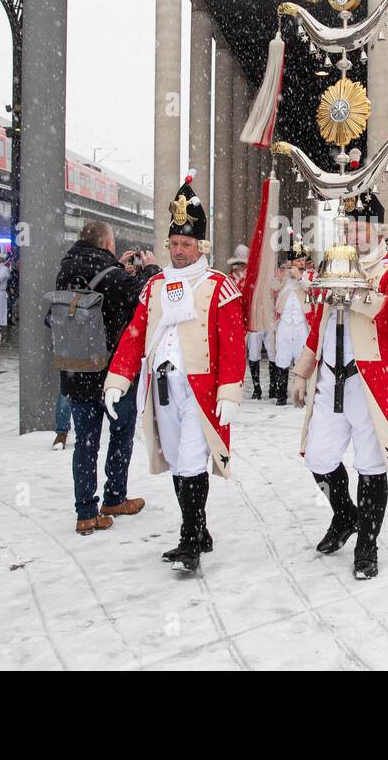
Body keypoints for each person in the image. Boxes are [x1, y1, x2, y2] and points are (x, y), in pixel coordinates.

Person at [103, 173, 245, 571]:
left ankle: (190, 542)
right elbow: (134, 336)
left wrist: (230, 392)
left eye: (187, 244)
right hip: (160, 387)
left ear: (200, 246)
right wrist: (119, 379)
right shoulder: (154, 287)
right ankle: (198, 529)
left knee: (190, 462)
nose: (179, 251)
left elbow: (234, 345)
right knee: (176, 461)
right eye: (175, 244)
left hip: (200, 392)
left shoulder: (220, 286)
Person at [289, 185, 388, 580]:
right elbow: (320, 322)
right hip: (330, 378)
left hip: (370, 383)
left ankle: (367, 541)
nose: (356, 234)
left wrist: (356, 295)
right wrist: (302, 369)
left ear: (379, 231)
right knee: (318, 457)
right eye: (351, 226)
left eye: (364, 227)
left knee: (370, 464)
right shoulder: (332, 263)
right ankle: (345, 515)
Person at [54, 220, 158, 535]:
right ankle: (114, 497)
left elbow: (103, 287)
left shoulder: (65, 270)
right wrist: (149, 269)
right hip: (111, 370)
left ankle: (85, 511)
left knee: (85, 443)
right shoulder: (111, 276)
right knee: (120, 433)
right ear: (105, 243)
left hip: (76, 368)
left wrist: (117, 266)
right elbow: (141, 296)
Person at [271, 245, 310, 406]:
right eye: (298, 260)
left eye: (302, 260)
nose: (301, 263)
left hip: (302, 322)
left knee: (302, 357)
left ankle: (301, 394)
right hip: (284, 322)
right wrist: (282, 275)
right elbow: (273, 288)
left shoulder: (308, 275)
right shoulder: (283, 275)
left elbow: (311, 289)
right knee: (282, 356)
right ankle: (281, 395)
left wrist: (300, 277)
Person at [228, 244, 265, 399]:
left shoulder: (253, 280)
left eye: (244, 264)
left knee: (254, 354)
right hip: (234, 322)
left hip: (251, 321)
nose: (242, 267)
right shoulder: (228, 280)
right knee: (234, 355)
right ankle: (235, 384)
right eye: (239, 264)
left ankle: (257, 387)